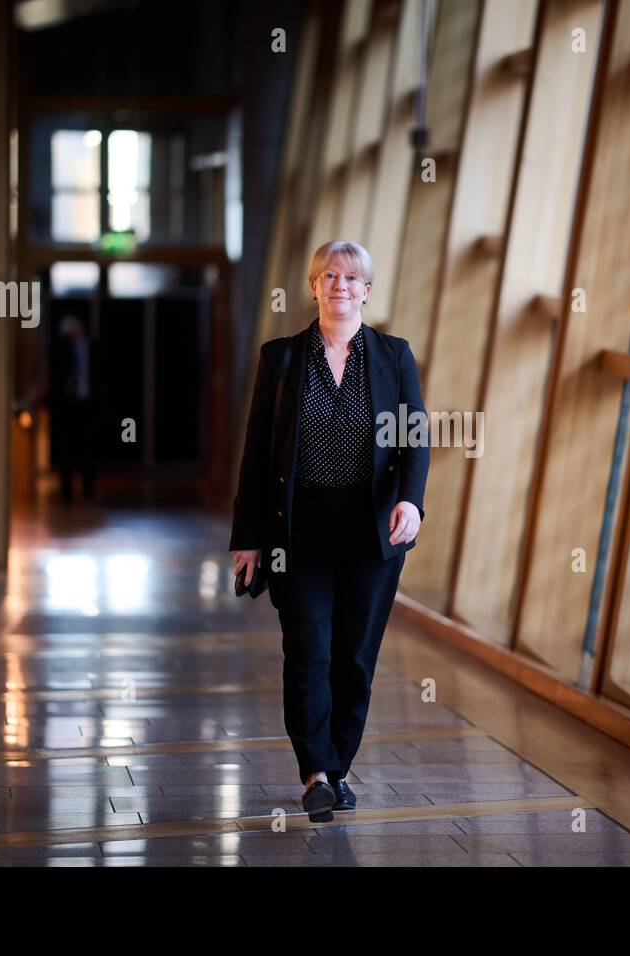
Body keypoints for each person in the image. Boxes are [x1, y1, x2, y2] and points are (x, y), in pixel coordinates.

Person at [229, 240, 430, 822]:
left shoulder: (394, 356)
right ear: (313, 286)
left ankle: (337, 768)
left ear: (367, 290)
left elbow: (414, 437)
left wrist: (411, 503)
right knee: (308, 651)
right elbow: (257, 454)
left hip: (373, 535)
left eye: (351, 278)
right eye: (329, 276)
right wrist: (247, 535)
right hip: (300, 534)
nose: (340, 286)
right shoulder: (282, 358)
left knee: (355, 657)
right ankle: (315, 772)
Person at [50, 314, 100, 503]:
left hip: (87, 404)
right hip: (67, 406)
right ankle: (66, 490)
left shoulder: (92, 348)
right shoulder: (61, 351)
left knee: (88, 447)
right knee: (67, 449)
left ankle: (88, 487)